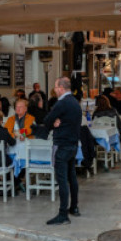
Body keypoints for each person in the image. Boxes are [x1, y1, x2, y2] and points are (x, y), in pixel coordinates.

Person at [43, 77, 81, 225]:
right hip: (73, 144)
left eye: (55, 87)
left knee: (62, 179)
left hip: (62, 144)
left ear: (61, 88)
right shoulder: (75, 102)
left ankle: (63, 214)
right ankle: (74, 206)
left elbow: (47, 119)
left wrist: (54, 122)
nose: (55, 90)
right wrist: (57, 121)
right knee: (72, 177)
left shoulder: (62, 103)